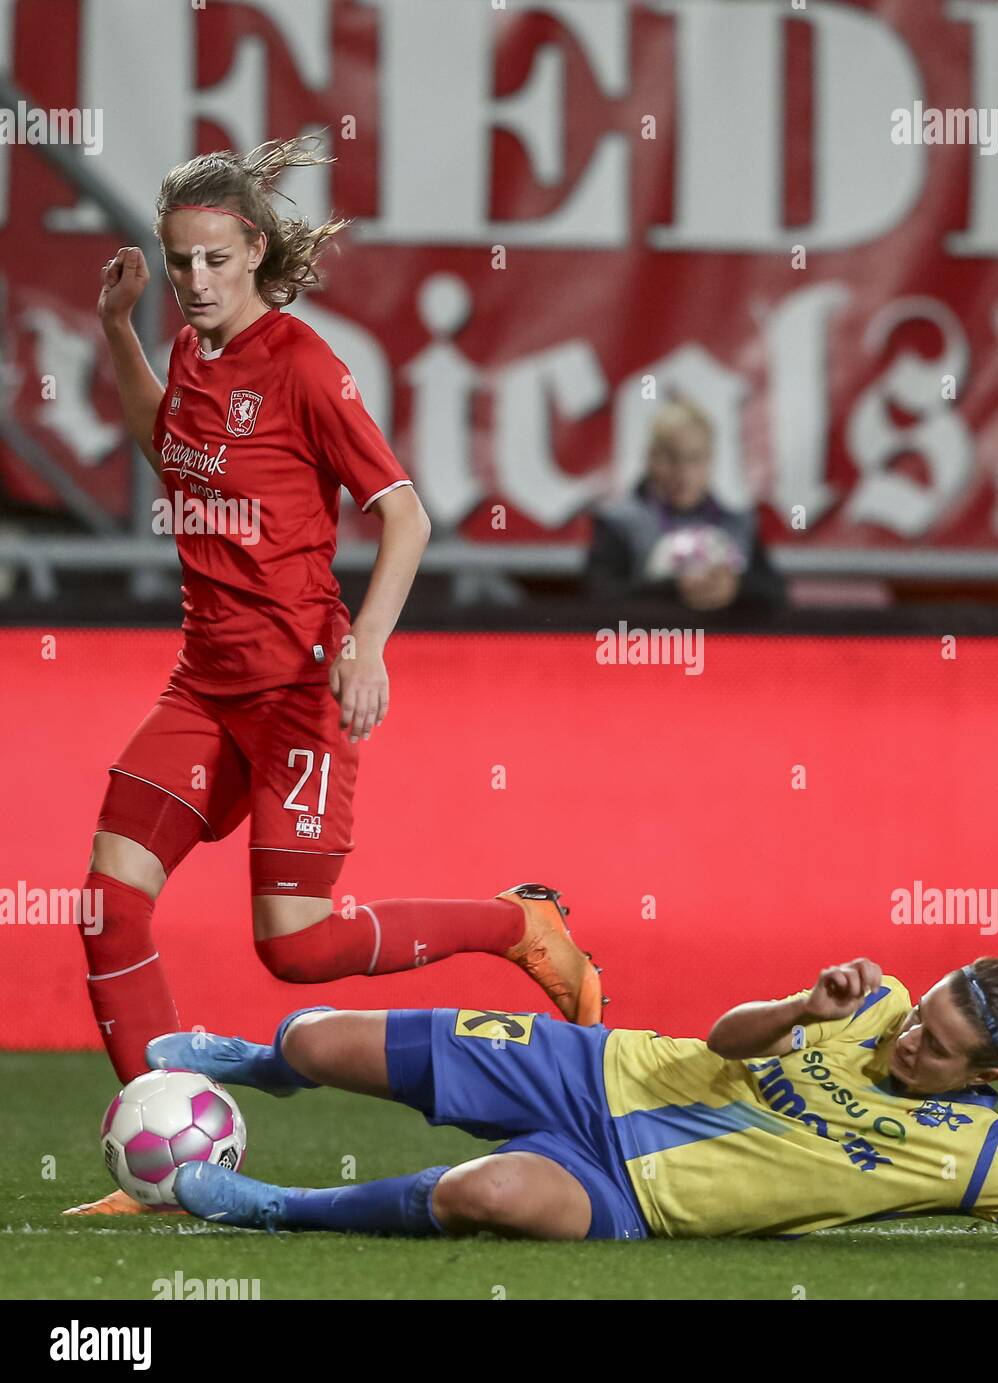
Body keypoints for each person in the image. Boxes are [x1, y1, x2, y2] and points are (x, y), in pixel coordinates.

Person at [73, 134, 603, 1216]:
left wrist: (367, 643)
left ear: (256, 250)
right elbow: (160, 444)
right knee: (108, 910)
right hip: (203, 688)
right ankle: (169, 1173)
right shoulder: (188, 351)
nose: (198, 282)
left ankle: (517, 924)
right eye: (181, 263)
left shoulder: (305, 365)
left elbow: (403, 514)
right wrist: (119, 328)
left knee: (299, 951)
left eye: (216, 260)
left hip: (298, 692)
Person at [149, 956, 998, 1249]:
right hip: (604, 1069)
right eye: (925, 1018)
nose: (912, 1041)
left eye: (937, 1050)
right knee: (319, 1038)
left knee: (487, 1196)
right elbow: (726, 1034)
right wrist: (796, 1005)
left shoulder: (975, 1153)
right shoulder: (872, 1002)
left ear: (980, 1078)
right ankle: (263, 1062)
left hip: (630, 1194)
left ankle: (275, 1207)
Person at [585, 398, 785, 615]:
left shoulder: (739, 525)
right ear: (651, 458)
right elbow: (601, 599)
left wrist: (736, 588)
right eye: (671, 458)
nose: (683, 472)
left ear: (710, 461)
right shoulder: (617, 523)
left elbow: (776, 596)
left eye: (694, 459)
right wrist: (673, 589)